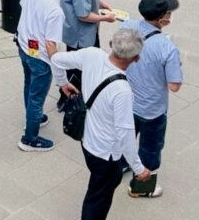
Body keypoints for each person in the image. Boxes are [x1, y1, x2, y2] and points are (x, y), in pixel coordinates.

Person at [52, 28, 156, 216]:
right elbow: (125, 134)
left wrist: (62, 83)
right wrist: (139, 169)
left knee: (101, 184)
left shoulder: (92, 54)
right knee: (98, 198)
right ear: (135, 58)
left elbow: (56, 59)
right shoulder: (122, 91)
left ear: (111, 45)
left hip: (87, 139)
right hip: (106, 153)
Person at [16, 0, 79, 151]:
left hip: (24, 47)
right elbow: (52, 46)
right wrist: (62, 79)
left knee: (28, 85)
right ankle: (30, 138)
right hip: (40, 58)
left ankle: (31, 119)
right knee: (37, 97)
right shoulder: (55, 12)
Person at [124, 0, 183, 188]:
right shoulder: (167, 48)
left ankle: (122, 164)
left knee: (125, 138)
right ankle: (141, 187)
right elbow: (174, 85)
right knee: (150, 149)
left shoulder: (126, 26)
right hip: (152, 109)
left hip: (127, 99)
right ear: (162, 20)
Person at [59, 0, 117, 110]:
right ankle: (72, 100)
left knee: (73, 64)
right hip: (82, 34)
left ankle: (69, 97)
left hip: (72, 30)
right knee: (80, 68)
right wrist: (105, 18)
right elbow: (83, 14)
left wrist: (98, 2)